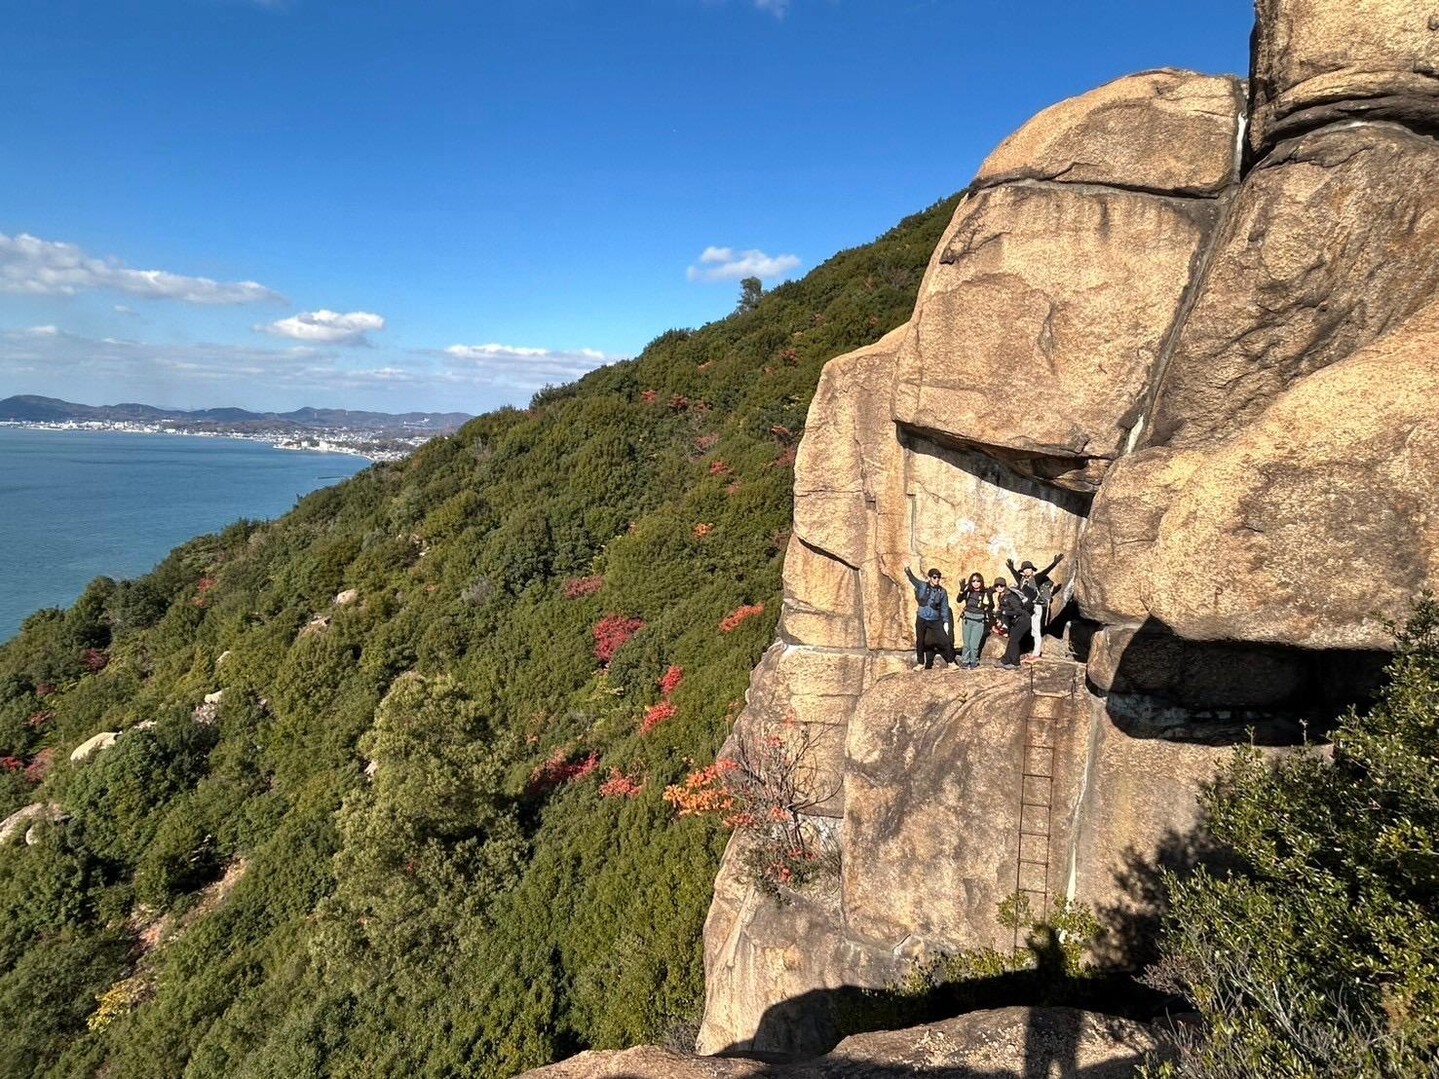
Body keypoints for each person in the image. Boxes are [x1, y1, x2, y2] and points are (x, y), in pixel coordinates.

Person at [1006, 553, 1064, 660]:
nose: (1027, 571)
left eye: (1029, 569)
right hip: (1025, 609)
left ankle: (1036, 653)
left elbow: (1046, 571)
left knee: (1036, 630)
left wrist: (1054, 563)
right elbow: (1015, 575)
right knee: (1025, 629)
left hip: (1036, 608)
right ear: (1023, 571)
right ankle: (1027, 650)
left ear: (1032, 570)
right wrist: (1011, 568)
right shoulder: (1022, 580)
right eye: (1025, 569)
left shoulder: (1036, 579)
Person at [904, 565, 956, 670]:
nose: (936, 579)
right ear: (930, 577)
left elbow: (944, 607)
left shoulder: (942, 592)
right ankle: (920, 663)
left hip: (935, 619)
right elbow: (913, 580)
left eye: (938, 577)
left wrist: (946, 622)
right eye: (934, 577)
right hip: (922, 618)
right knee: (920, 640)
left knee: (944, 640)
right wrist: (908, 571)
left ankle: (951, 662)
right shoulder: (922, 586)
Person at [998, 576, 1035, 670]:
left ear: (1005, 586)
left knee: (1014, 640)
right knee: (1012, 640)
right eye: (997, 586)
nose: (999, 587)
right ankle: (1006, 660)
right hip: (1017, 621)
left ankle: (1015, 663)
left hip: (1024, 620)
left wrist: (1005, 613)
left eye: (1001, 585)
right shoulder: (1002, 596)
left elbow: (1019, 611)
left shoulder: (1011, 597)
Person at [957, 573, 991, 669]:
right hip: (967, 619)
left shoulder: (985, 592)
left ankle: (973, 661)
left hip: (979, 621)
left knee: (974, 644)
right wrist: (961, 590)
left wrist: (988, 599)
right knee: (966, 643)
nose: (976, 583)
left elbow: (990, 605)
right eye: (973, 581)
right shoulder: (968, 591)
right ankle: (965, 661)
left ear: (981, 582)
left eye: (978, 581)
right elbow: (959, 600)